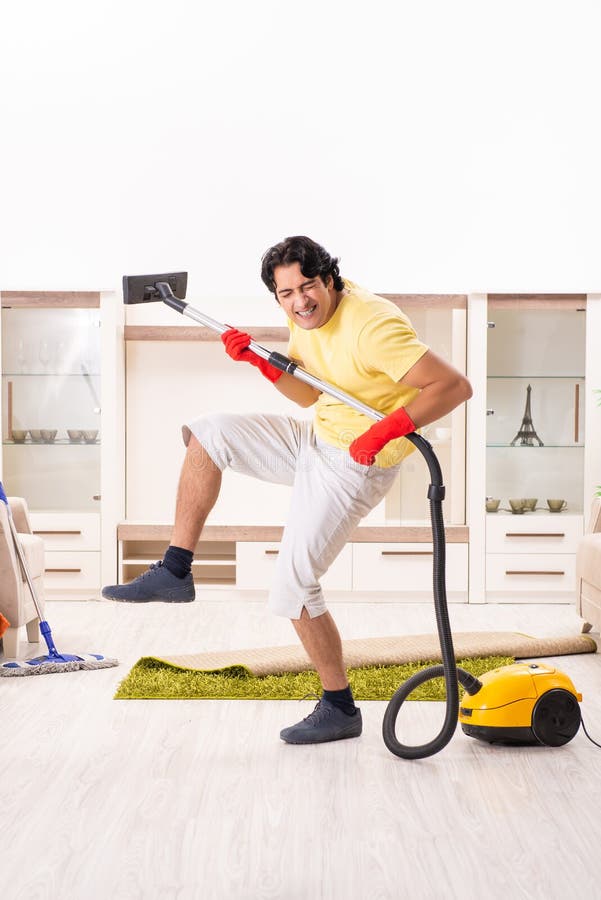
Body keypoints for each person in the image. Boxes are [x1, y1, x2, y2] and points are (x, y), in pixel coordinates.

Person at [102, 236, 472, 744]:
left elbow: (453, 386)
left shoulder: (373, 326)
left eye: (309, 286)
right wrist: (263, 363)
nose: (300, 301)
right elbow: (309, 393)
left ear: (330, 279)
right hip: (316, 438)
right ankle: (175, 570)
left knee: (294, 586)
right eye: (287, 293)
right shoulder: (307, 320)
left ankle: (341, 708)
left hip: (356, 463)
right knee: (207, 434)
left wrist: (384, 431)